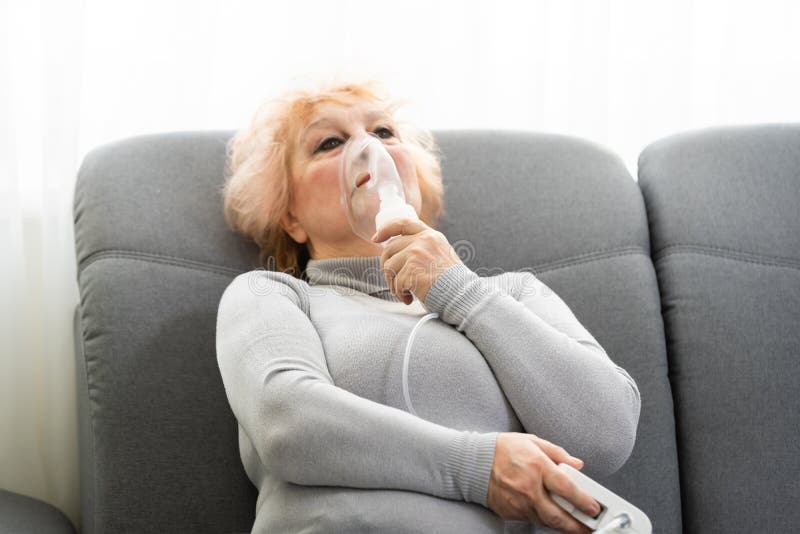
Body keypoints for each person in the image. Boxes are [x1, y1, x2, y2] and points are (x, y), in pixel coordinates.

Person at [215, 79, 642, 534]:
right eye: (330, 142)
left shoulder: (514, 294)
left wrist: (458, 289)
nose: (369, 149)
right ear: (290, 216)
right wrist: (477, 469)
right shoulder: (271, 294)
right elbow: (287, 425)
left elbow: (607, 435)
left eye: (384, 132)